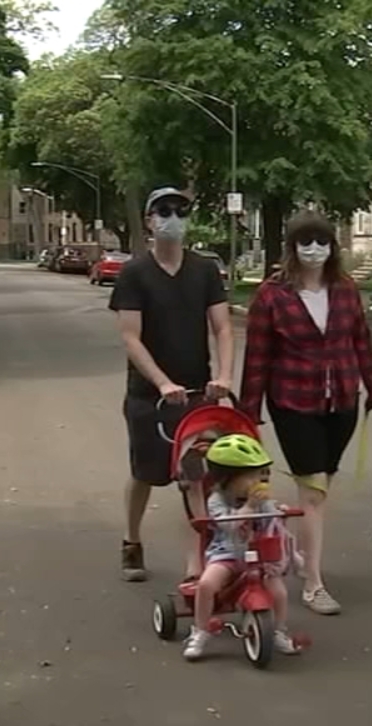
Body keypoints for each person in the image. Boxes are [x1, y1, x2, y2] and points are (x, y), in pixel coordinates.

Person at [238, 210, 372, 615]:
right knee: (314, 491)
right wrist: (247, 414)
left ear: (332, 247)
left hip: (341, 402)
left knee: (322, 488)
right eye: (305, 242)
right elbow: (257, 358)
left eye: (321, 242)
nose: (313, 250)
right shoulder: (272, 295)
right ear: (292, 248)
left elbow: (363, 345)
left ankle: (304, 549)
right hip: (293, 402)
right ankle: (313, 584)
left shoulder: (345, 290)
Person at [109, 187, 236, 582]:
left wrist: (225, 376)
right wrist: (163, 383)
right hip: (151, 397)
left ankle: (197, 567)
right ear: (150, 220)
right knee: (146, 473)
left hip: (197, 392)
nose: (173, 219)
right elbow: (131, 337)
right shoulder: (135, 273)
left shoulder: (203, 271)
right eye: (164, 211)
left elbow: (222, 326)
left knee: (194, 476)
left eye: (181, 211)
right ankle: (131, 541)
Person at [186, 434, 299, 660]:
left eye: (259, 476)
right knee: (207, 584)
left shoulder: (261, 499)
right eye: (250, 477)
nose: (257, 483)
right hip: (226, 553)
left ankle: (278, 630)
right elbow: (229, 526)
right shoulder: (217, 499)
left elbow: (271, 523)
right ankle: (200, 630)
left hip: (260, 555)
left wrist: (279, 513)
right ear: (228, 478)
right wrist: (249, 507)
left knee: (279, 591)